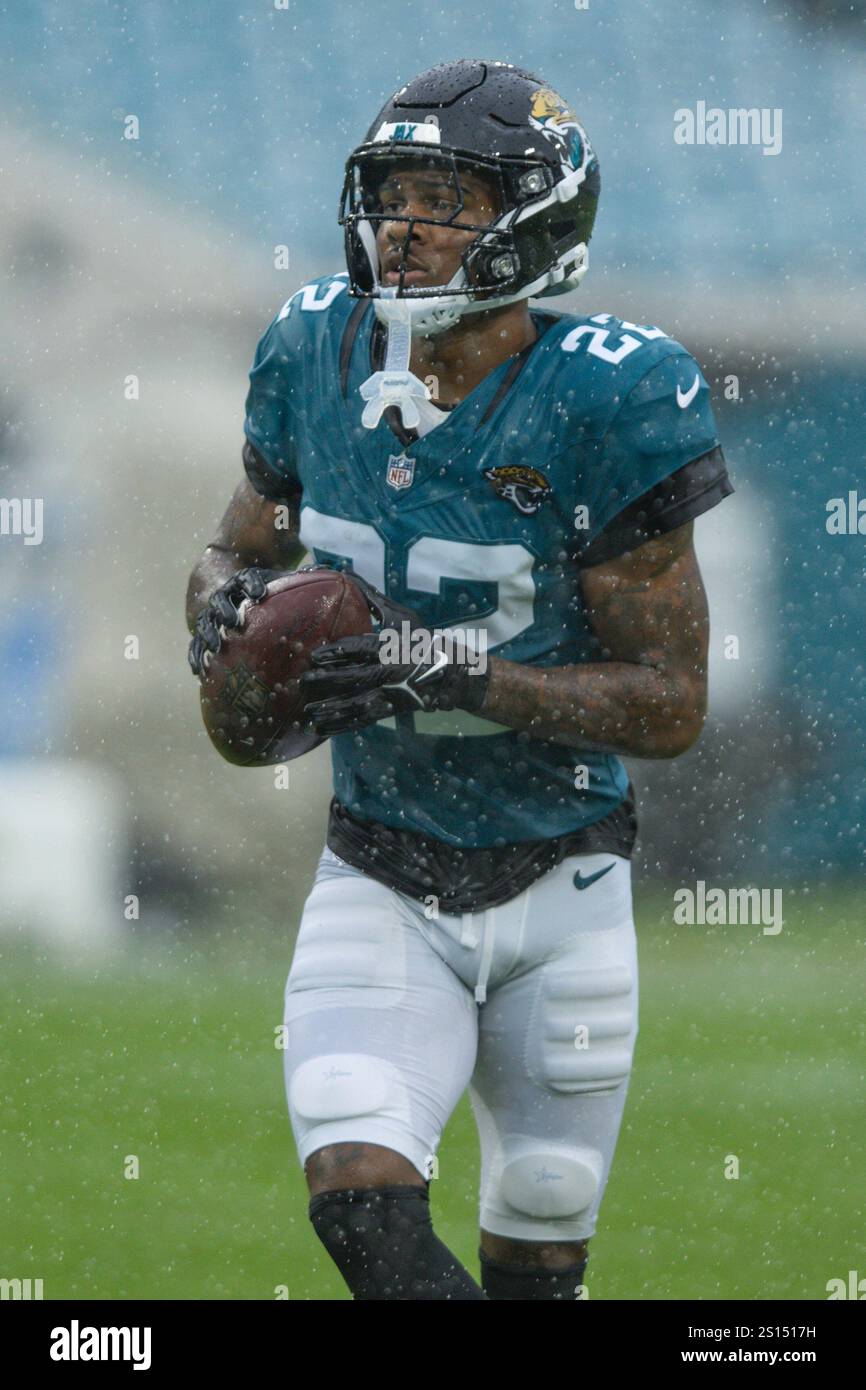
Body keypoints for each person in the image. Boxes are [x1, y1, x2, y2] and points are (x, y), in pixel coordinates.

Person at [187, 59, 733, 1300]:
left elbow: (671, 703)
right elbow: (237, 542)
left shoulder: (612, 390)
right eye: (393, 192)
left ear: (536, 221)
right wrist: (218, 601)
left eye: (447, 197)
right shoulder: (310, 342)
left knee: (537, 1248)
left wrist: (455, 669)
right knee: (359, 1203)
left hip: (564, 870)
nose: (404, 225)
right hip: (378, 861)